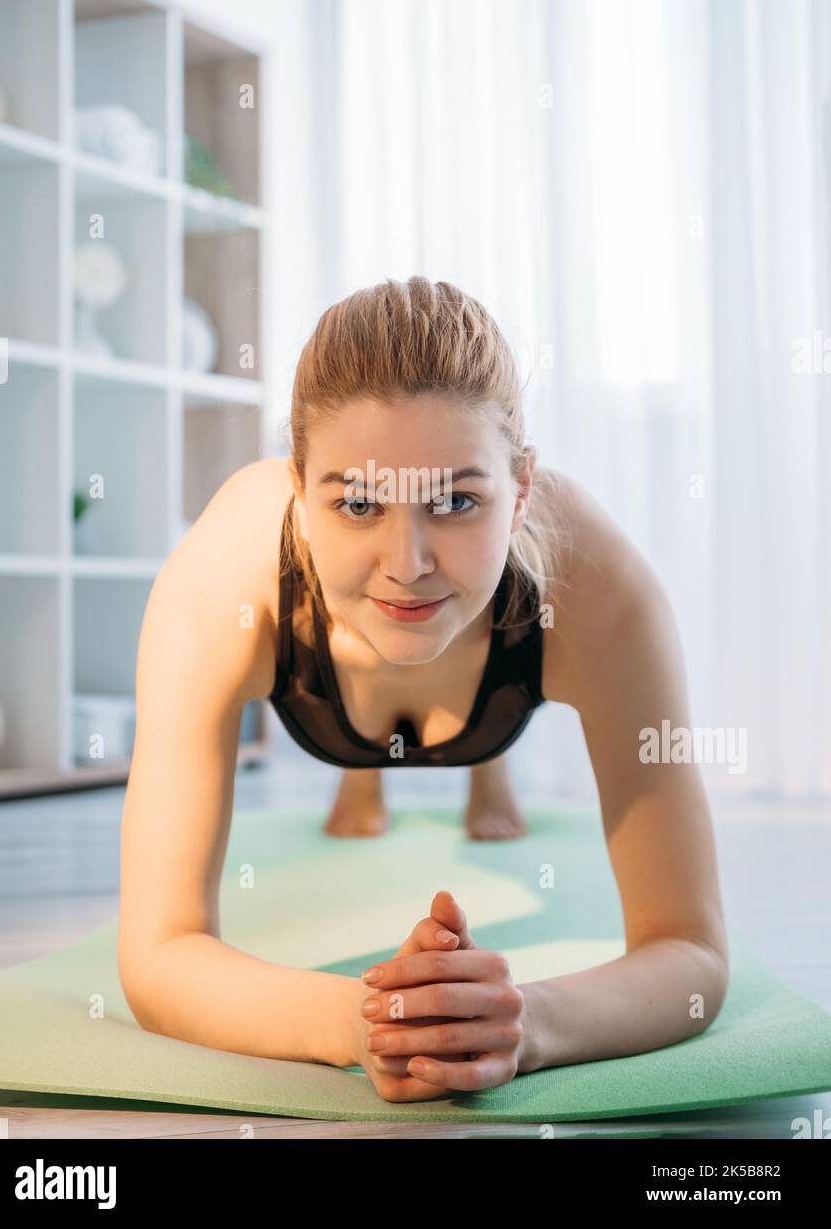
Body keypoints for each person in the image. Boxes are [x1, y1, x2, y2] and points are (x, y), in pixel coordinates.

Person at [118, 276, 729, 1103]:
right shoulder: (221, 583)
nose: (407, 562)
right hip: (330, 663)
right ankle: (365, 754)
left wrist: (530, 1022)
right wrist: (365, 1021)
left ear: (521, 491)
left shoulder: (603, 594)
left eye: (457, 500)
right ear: (298, 489)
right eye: (359, 502)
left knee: (426, 641)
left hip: (491, 651)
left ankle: (485, 757)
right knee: (385, 661)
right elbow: (159, 953)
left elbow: (691, 953)